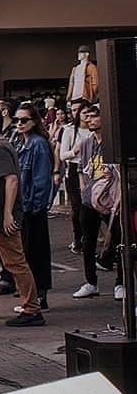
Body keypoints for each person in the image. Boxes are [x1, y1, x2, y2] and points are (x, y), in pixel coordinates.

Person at [0, 107, 45, 327]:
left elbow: (11, 179)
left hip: (1, 217)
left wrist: (8, 214)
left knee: (15, 263)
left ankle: (31, 308)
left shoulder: (1, 149)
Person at [73, 105, 123, 300]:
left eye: (95, 116)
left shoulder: (113, 143)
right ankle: (90, 282)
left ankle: (120, 282)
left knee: (118, 240)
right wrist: (84, 190)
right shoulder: (87, 143)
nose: (90, 120)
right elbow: (81, 168)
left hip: (112, 199)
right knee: (88, 241)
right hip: (90, 198)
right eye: (88, 117)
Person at [14, 103, 54, 310]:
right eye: (17, 120)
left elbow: (42, 179)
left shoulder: (38, 144)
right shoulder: (21, 142)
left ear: (34, 121)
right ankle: (33, 295)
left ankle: (39, 295)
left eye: (24, 120)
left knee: (36, 252)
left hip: (32, 207)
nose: (19, 124)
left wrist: (37, 206)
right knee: (28, 252)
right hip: (25, 206)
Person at [59, 99, 91, 253]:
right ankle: (79, 239)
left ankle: (90, 238)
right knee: (77, 207)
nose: (87, 117)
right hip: (74, 168)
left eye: (89, 113)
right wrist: (74, 151)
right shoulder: (69, 130)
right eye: (84, 113)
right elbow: (62, 155)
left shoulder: (94, 129)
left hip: (92, 168)